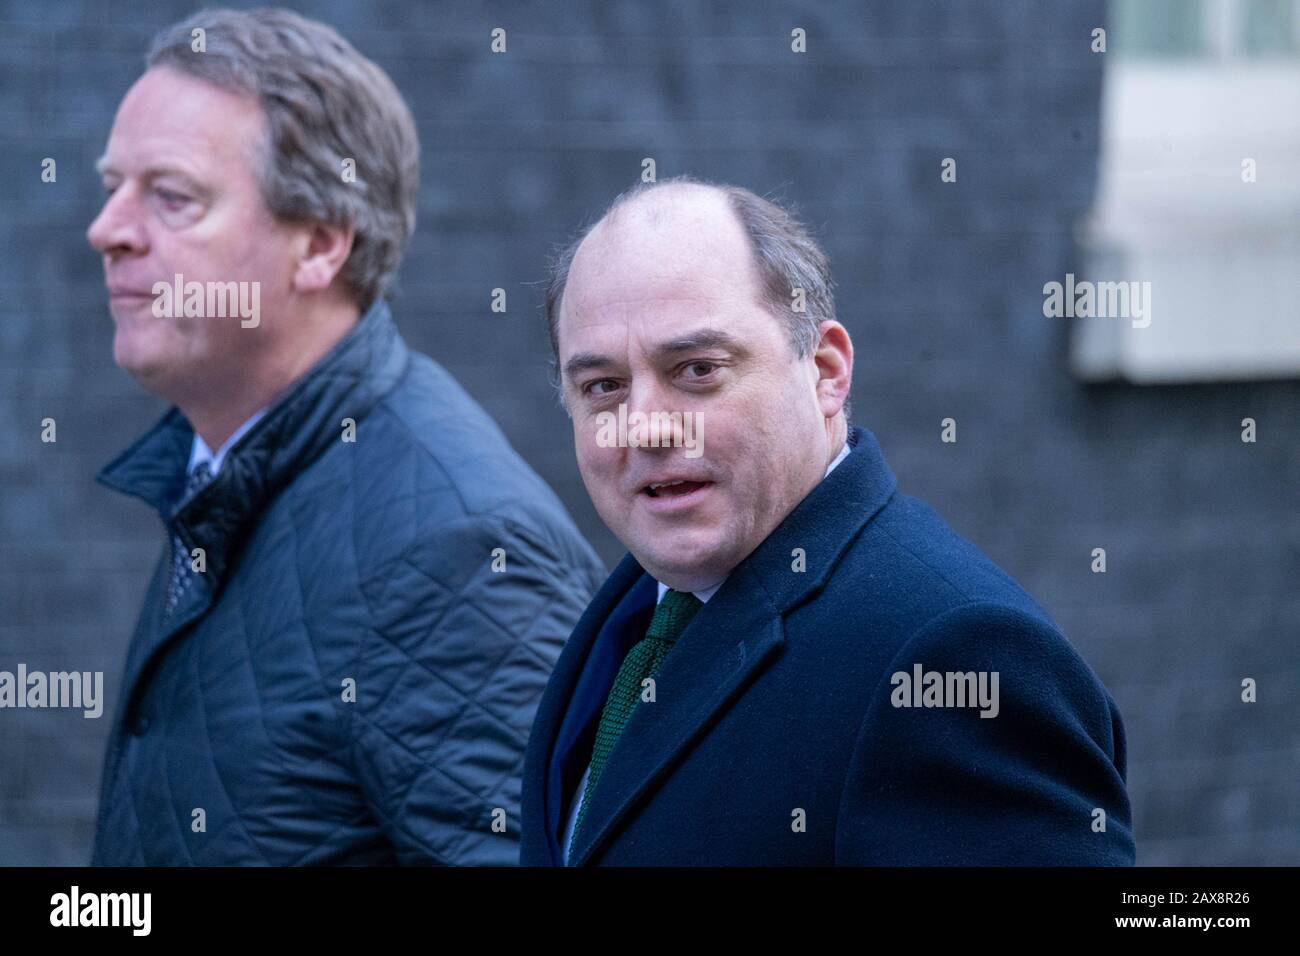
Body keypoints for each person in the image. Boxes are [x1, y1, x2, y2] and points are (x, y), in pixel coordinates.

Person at [86, 7, 604, 865]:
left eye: (171, 197)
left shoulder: (455, 551)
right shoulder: (229, 470)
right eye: (113, 186)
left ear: (322, 244)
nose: (109, 230)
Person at [520, 176, 1135, 865]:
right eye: (603, 387)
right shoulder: (638, 611)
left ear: (825, 371)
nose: (647, 427)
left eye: (697, 369)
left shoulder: (954, 654)